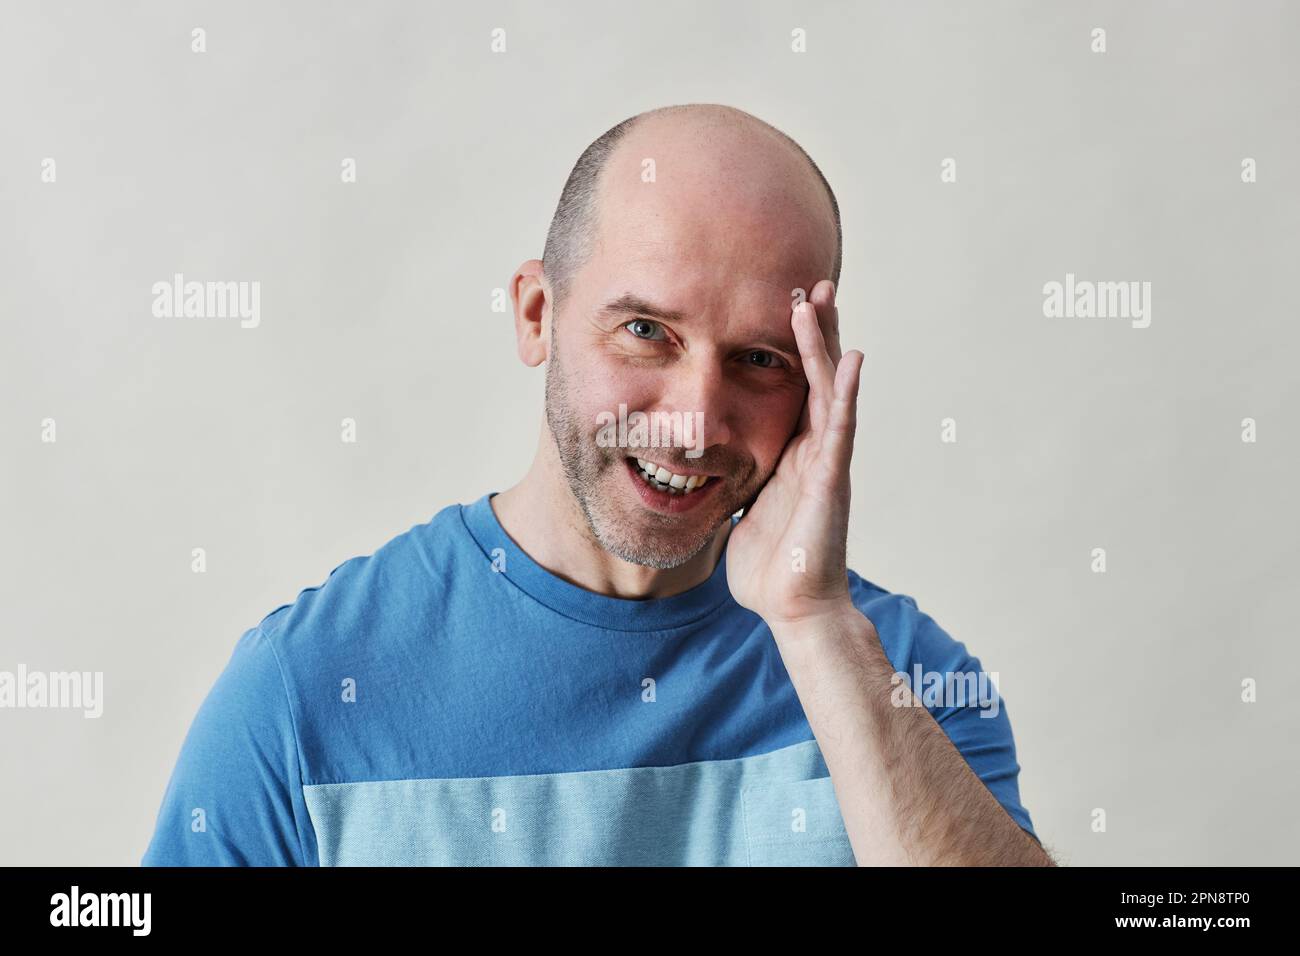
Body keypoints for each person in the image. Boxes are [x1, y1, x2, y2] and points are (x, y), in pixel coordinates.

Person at [142, 103, 1052, 866]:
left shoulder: (902, 679)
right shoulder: (302, 692)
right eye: (647, 332)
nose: (695, 422)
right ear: (538, 314)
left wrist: (814, 628)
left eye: (759, 359)